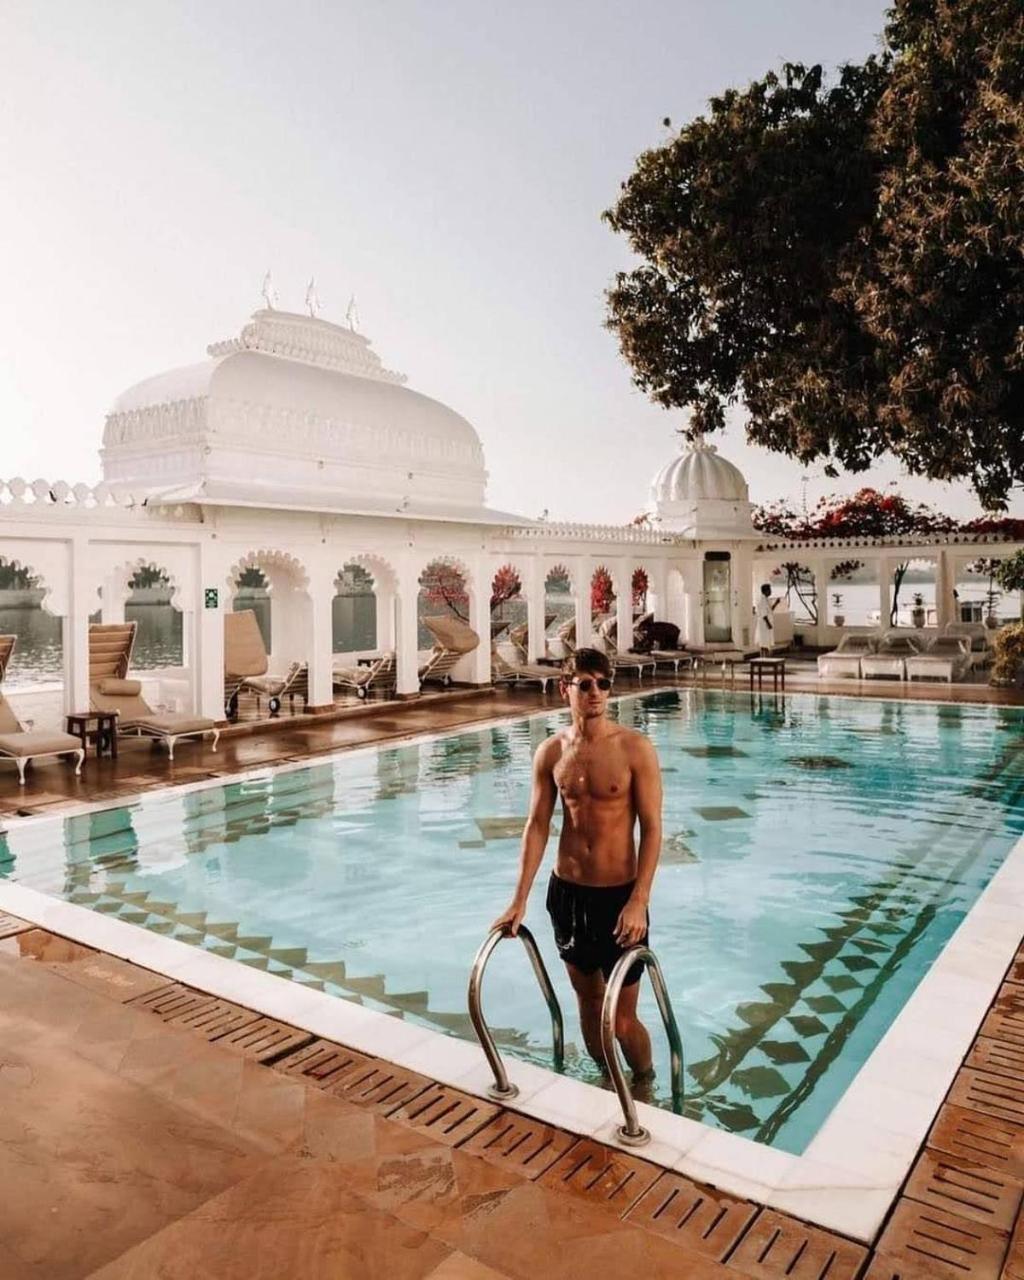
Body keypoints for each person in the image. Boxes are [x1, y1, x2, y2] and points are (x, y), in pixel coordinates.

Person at [492, 647, 663, 1085]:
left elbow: (652, 829)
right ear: (564, 688)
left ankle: (644, 1084)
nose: (595, 693)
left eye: (603, 684)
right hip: (567, 895)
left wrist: (639, 900)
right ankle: (611, 1085)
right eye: (585, 684)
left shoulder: (634, 749)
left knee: (622, 1021)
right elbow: (536, 827)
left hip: (619, 899)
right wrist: (519, 900)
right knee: (588, 1007)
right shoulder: (551, 752)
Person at [754, 583, 778, 657]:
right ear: (765, 591)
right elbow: (764, 614)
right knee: (764, 642)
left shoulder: (766, 599)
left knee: (766, 642)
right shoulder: (762, 600)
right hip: (764, 624)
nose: (771, 591)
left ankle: (765, 658)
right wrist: (768, 624)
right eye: (769, 590)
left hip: (766, 624)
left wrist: (776, 603)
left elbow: (770, 610)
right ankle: (764, 658)